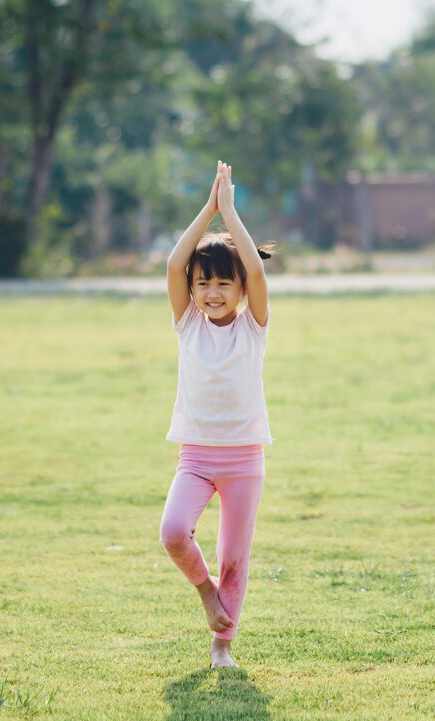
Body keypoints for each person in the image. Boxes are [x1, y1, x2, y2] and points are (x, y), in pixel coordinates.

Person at [158, 161, 273, 669]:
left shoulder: (253, 327)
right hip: (196, 457)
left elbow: (257, 269)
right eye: (203, 283)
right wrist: (209, 212)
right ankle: (207, 594)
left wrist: (232, 214)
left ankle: (222, 646)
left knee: (234, 558)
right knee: (173, 532)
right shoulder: (188, 324)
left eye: (223, 284)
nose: (212, 292)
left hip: (245, 459)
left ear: (240, 289)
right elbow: (172, 265)